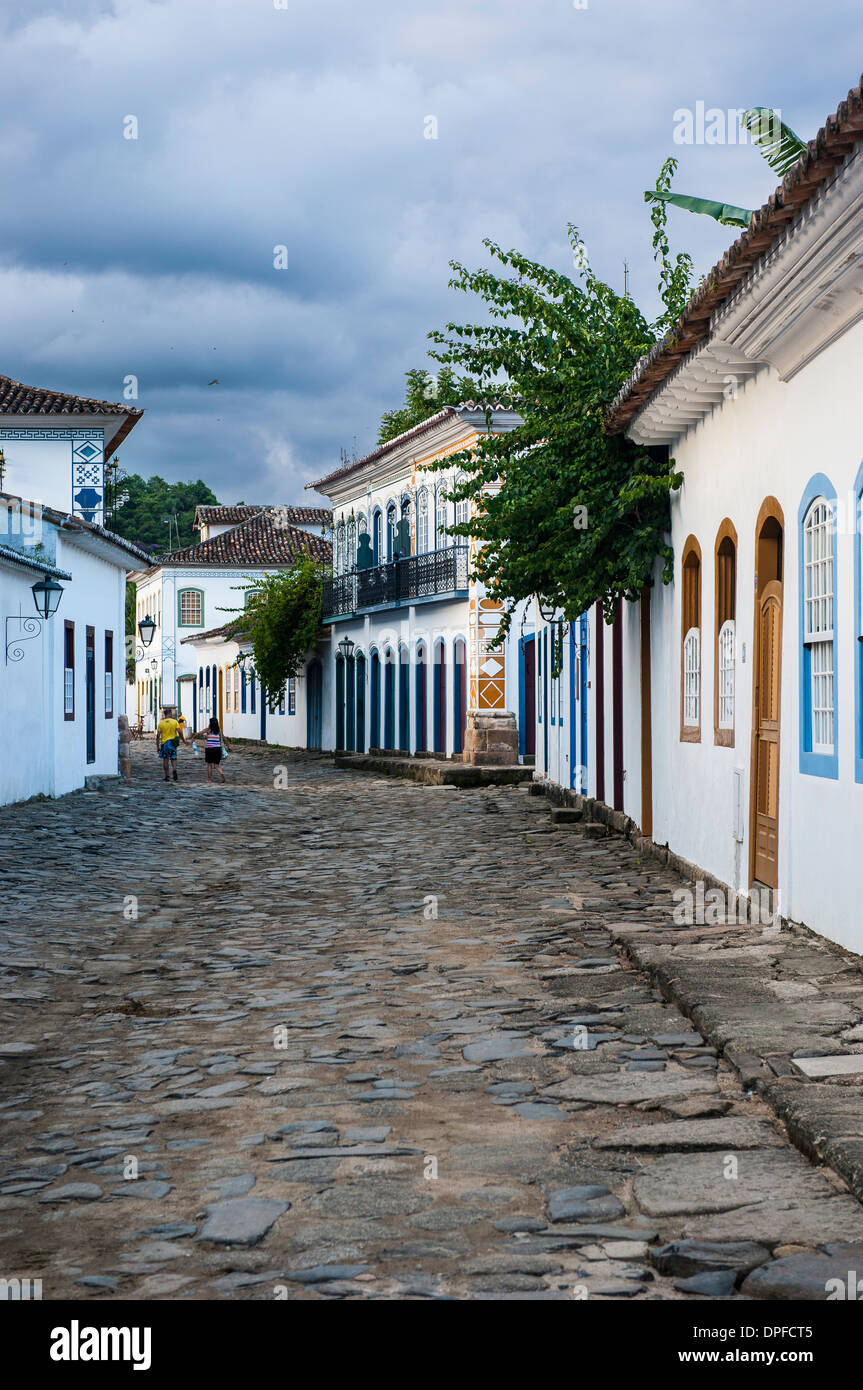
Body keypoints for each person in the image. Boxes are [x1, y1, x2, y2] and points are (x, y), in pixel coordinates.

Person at [156, 705, 185, 782]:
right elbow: (179, 732)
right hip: (172, 743)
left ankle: (167, 776)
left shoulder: (161, 723)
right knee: (173, 758)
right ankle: (174, 769)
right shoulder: (175, 722)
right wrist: (183, 740)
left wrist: (157, 746)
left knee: (165, 759)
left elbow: (158, 736)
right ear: (170, 714)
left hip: (164, 744)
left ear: (165, 715)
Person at [204, 716, 231, 784]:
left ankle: (209, 780)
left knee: (209, 765)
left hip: (209, 749)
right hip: (217, 749)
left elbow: (199, 733)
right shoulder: (219, 730)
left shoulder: (208, 730)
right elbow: (224, 739)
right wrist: (228, 746)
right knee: (216, 765)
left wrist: (193, 738)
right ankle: (221, 773)